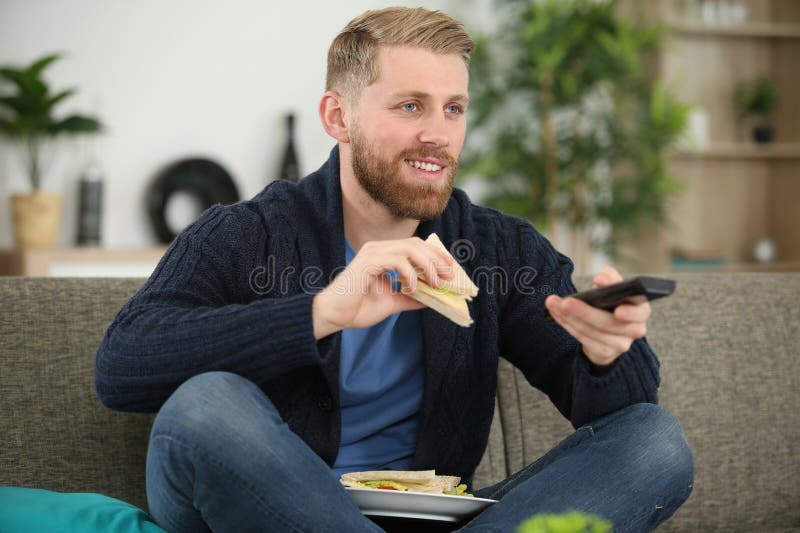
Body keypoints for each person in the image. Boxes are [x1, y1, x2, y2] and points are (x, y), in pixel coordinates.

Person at [94, 7, 693, 532]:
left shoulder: (497, 248)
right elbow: (122, 368)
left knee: (654, 441)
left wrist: (607, 353)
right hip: (267, 511)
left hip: (430, 520)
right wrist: (320, 313)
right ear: (337, 117)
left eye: (453, 109)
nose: (438, 135)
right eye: (411, 106)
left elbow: (616, 417)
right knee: (205, 404)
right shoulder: (244, 233)